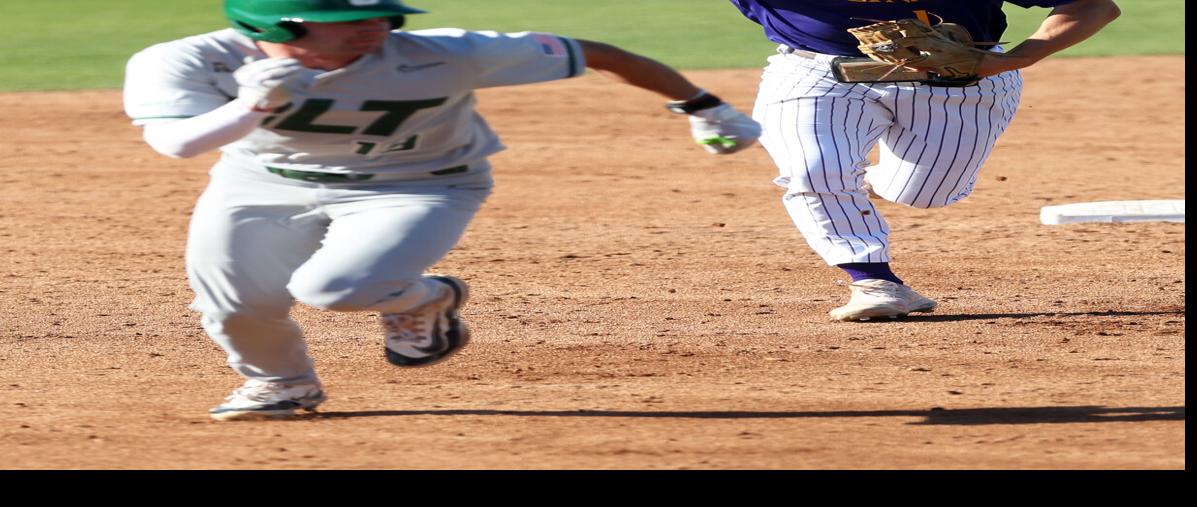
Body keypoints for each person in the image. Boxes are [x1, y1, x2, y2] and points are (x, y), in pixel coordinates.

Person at [124, 0, 761, 421]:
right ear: (277, 27)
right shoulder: (185, 61)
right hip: (259, 184)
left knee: (336, 288)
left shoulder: (448, 52)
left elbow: (599, 53)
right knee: (235, 303)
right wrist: (253, 106)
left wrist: (703, 106)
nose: (376, 28)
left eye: (381, 15)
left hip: (420, 182)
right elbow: (176, 144)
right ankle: (281, 384)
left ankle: (422, 300)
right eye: (348, 20)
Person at [729, 0, 1120, 321]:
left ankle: (862, 185)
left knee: (927, 194)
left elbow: (1094, 6)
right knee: (812, 171)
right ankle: (873, 280)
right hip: (815, 73)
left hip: (962, 76)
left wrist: (1013, 59)